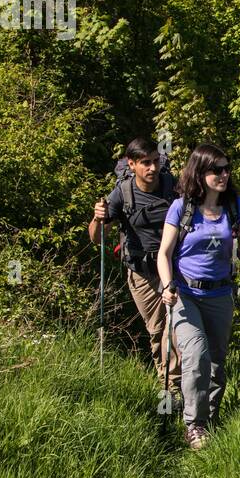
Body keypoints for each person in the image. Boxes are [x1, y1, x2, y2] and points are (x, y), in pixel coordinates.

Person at [157, 143, 240, 450]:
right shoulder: (182, 207)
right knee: (196, 354)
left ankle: (211, 418)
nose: (224, 174)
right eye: (217, 170)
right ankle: (194, 424)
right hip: (185, 293)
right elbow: (164, 253)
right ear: (200, 172)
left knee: (216, 362)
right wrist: (167, 285)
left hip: (221, 293)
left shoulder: (235, 205)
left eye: (227, 169)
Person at [89, 137, 181, 401]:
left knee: (175, 327)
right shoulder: (122, 193)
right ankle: (168, 386)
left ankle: (174, 388)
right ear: (131, 164)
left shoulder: (172, 187)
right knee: (157, 330)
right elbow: (97, 238)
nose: (152, 168)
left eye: (156, 161)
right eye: (145, 163)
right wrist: (97, 218)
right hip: (141, 273)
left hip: (174, 268)